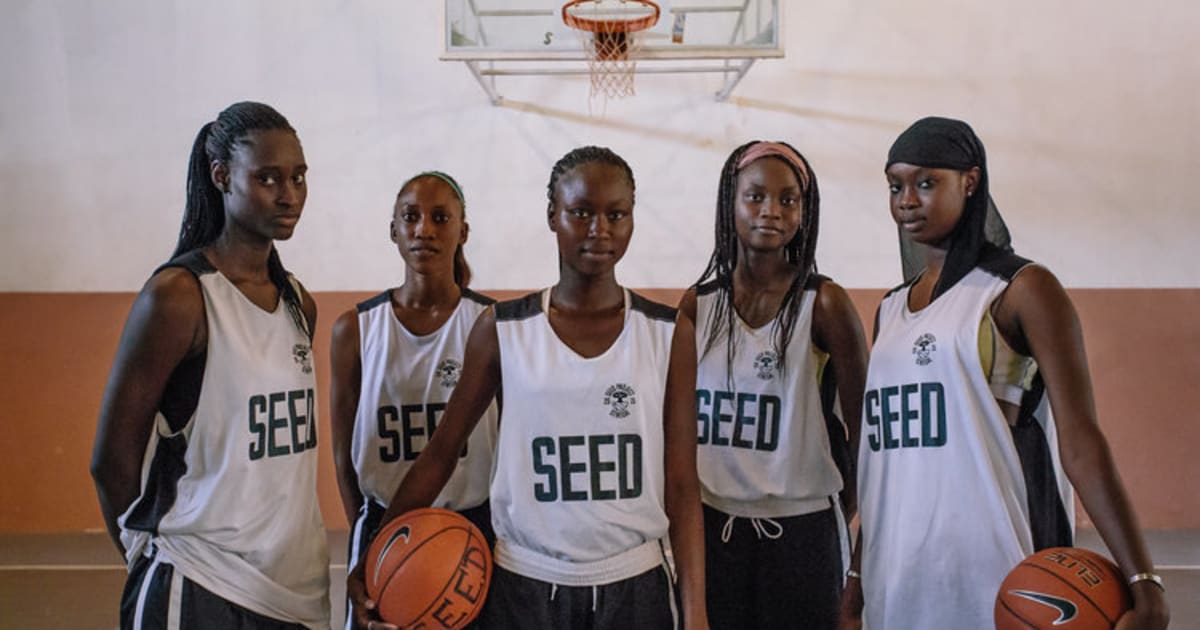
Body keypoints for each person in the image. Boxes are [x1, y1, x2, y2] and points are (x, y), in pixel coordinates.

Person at [347, 146, 710, 630]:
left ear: (632, 219)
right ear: (552, 215)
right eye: (581, 212)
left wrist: (696, 612)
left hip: (634, 583)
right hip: (525, 584)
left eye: (616, 214)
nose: (599, 229)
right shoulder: (503, 328)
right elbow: (441, 453)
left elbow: (682, 484)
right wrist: (373, 555)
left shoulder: (667, 332)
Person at [838, 117, 1170, 629]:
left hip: (998, 573)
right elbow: (887, 467)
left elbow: (1081, 443)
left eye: (926, 183)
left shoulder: (1020, 290)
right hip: (898, 580)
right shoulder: (891, 310)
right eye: (895, 186)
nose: (907, 201)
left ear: (970, 181)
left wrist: (1144, 582)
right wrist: (857, 581)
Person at [90, 102, 329, 629]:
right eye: (267, 178)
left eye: (298, 177)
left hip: (295, 590)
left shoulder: (298, 302)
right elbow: (111, 459)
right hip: (200, 583)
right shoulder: (180, 296)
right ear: (221, 176)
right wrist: (143, 554)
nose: (288, 194)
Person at [679, 141, 868, 629]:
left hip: (802, 530)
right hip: (712, 526)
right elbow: (673, 429)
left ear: (805, 212)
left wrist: (851, 527)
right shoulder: (698, 305)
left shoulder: (824, 302)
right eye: (756, 196)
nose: (771, 210)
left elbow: (866, 434)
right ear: (731, 203)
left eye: (788, 200)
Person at [329, 171, 498, 630]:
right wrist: (372, 543)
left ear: (463, 231)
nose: (424, 229)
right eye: (411, 217)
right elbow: (344, 457)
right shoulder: (356, 329)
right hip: (385, 523)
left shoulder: (490, 325)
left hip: (471, 527)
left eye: (440, 218)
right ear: (393, 230)